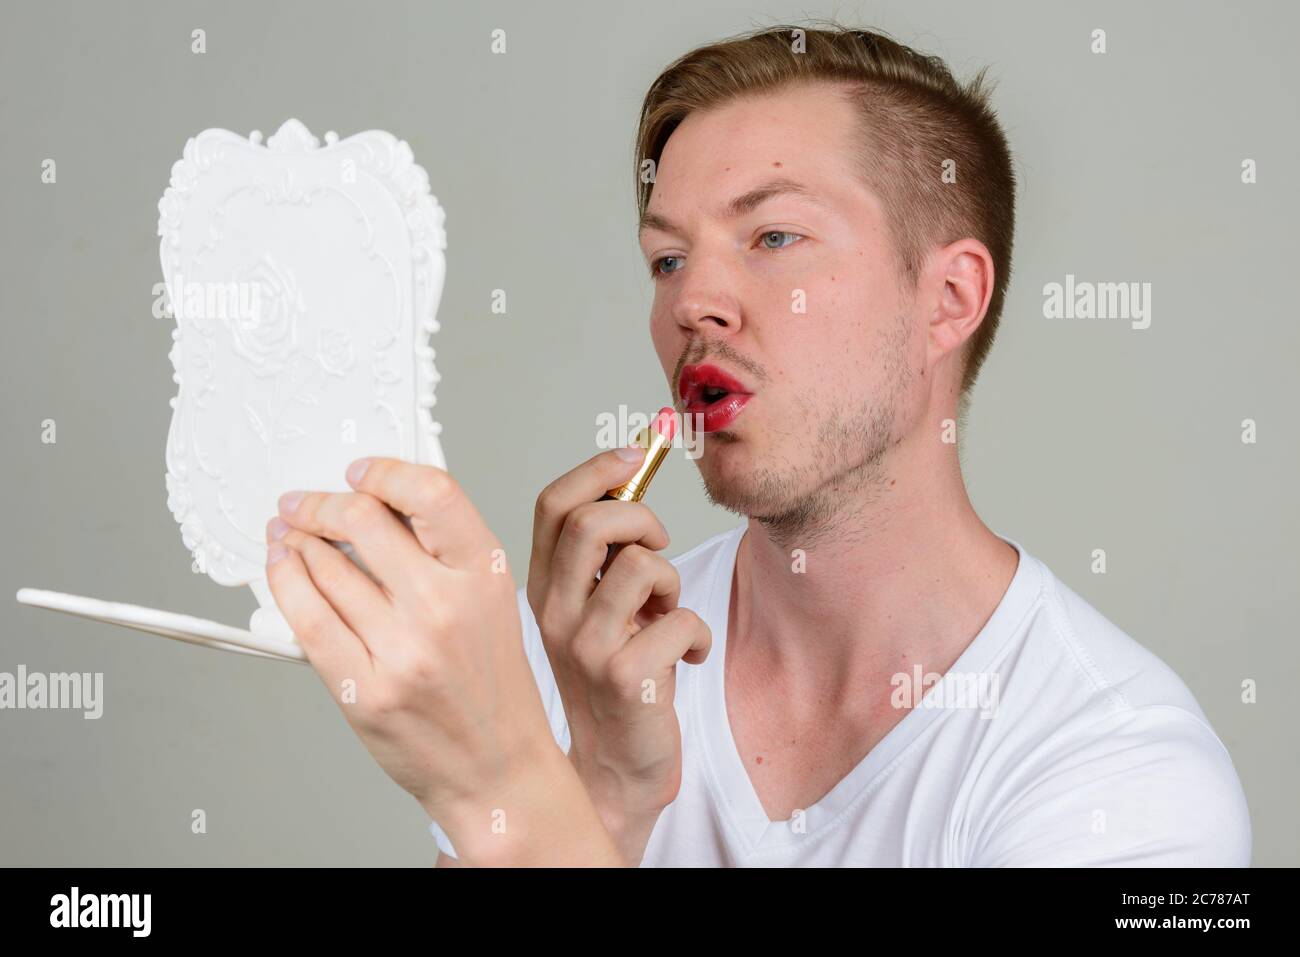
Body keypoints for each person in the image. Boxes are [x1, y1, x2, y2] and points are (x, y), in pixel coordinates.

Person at [264, 23, 1251, 866]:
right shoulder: (585, 666)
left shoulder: (1124, 777)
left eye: (774, 237)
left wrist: (510, 784)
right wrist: (598, 786)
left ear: (947, 298)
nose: (692, 301)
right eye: (666, 258)